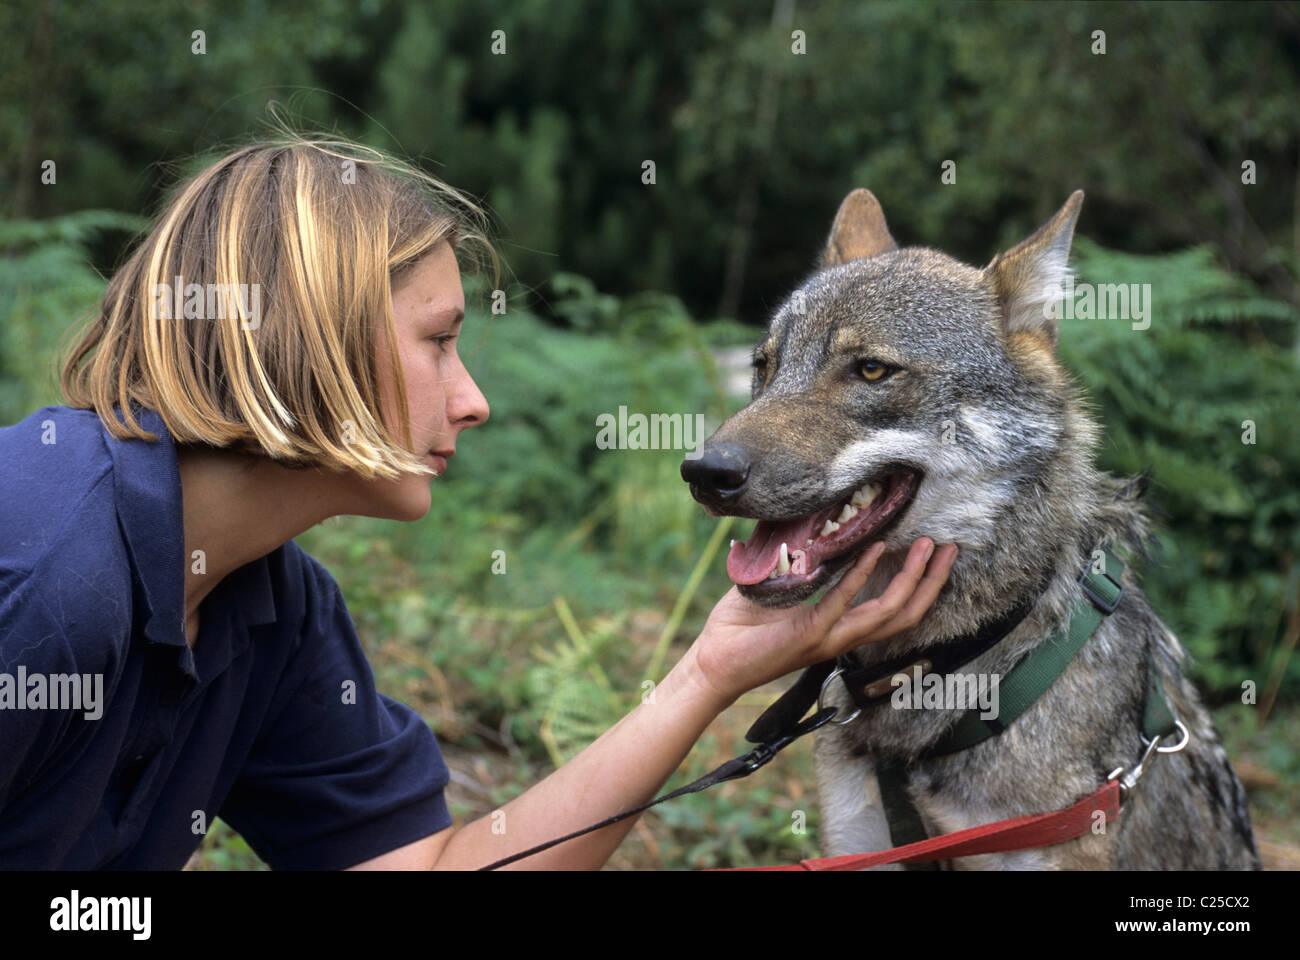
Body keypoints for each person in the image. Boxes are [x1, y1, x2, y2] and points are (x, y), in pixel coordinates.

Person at [0, 133, 958, 870]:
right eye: (438, 342)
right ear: (306, 337)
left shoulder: (271, 611)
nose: (474, 400)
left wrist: (709, 674)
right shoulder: (43, 579)